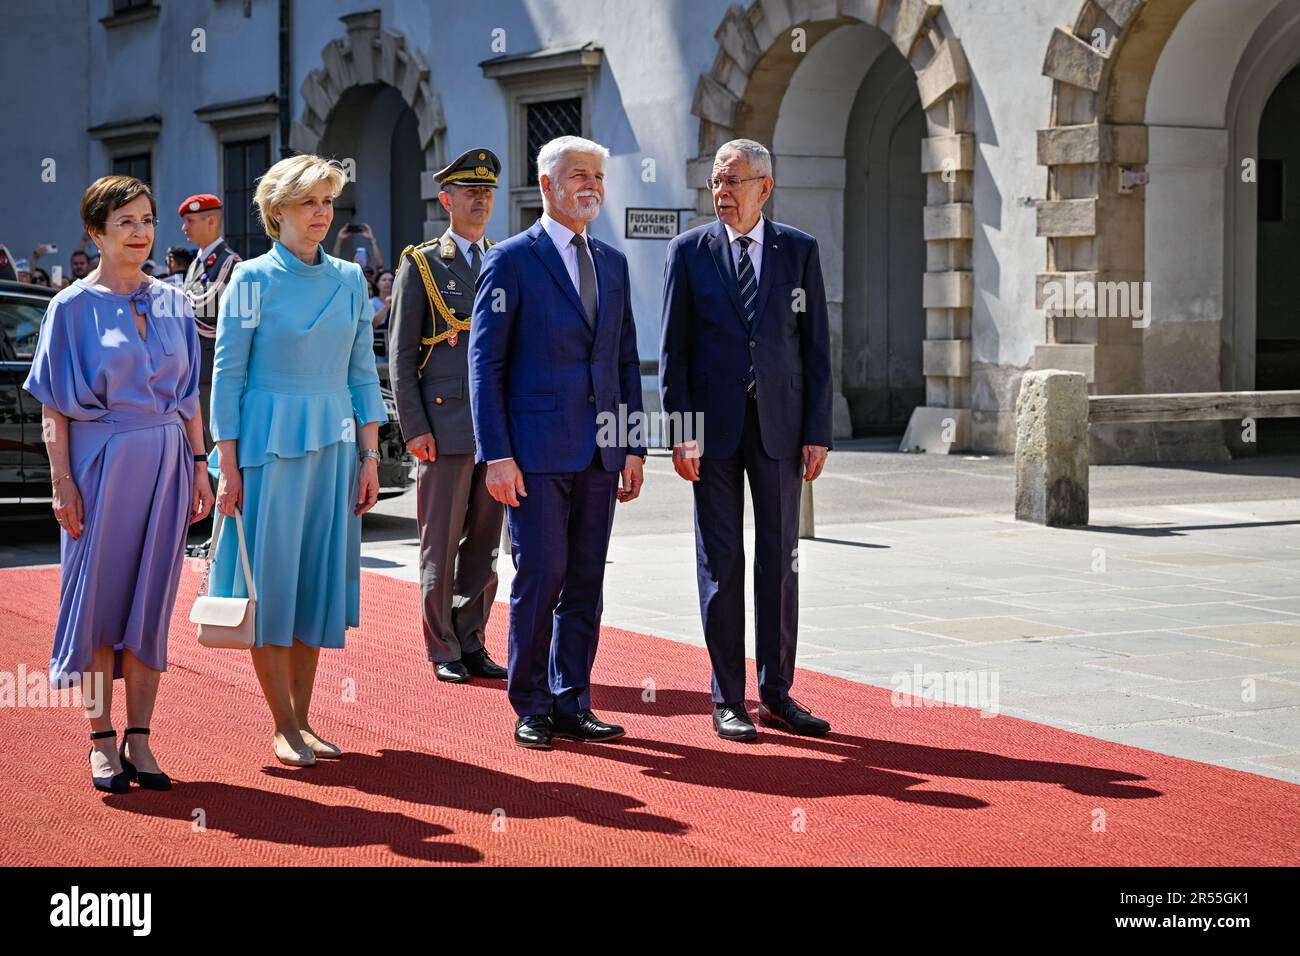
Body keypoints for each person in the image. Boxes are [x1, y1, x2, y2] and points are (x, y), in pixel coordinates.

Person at [22, 175, 214, 793]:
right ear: (96, 232)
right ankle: (101, 738)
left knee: (151, 598)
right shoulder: (70, 307)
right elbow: (52, 405)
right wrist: (62, 482)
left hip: (165, 460)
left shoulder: (174, 302)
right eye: (126, 221)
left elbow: (188, 397)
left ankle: (142, 738)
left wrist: (200, 463)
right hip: (99, 465)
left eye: (148, 220)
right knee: (99, 600)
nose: (140, 232)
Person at [209, 154, 386, 768]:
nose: (321, 214)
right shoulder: (251, 280)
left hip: (336, 446)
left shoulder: (350, 279)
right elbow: (227, 376)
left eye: (328, 202)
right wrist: (225, 467)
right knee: (273, 585)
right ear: (276, 211)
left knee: (314, 585)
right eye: (309, 202)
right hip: (267, 443)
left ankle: (306, 719)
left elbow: (363, 373)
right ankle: (282, 723)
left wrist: (370, 458)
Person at [469, 136, 645, 749]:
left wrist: (632, 446)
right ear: (547, 185)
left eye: (597, 174)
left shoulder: (613, 263)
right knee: (540, 575)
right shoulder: (511, 260)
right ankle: (532, 704)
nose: (590, 184)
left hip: (600, 452)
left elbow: (625, 360)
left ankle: (574, 699)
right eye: (577, 175)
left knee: (586, 580)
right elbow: (484, 364)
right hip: (534, 454)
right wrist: (497, 454)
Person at [659, 138, 833, 741]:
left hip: (782, 430)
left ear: (766, 186)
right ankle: (727, 698)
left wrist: (817, 431)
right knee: (721, 562)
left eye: (734, 182)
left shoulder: (799, 252)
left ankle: (778, 692)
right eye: (715, 182)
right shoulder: (689, 252)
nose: (723, 193)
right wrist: (680, 434)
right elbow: (672, 353)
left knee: (779, 563)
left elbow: (816, 350)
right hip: (712, 435)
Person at [389, 148, 507, 686]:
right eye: (469, 191)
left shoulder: (504, 259)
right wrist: (414, 428)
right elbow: (401, 354)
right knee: (441, 542)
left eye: (487, 191)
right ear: (446, 200)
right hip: (444, 424)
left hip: (497, 430)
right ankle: (441, 646)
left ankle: (473, 638)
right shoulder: (423, 263)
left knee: (484, 543)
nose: (480, 199)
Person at [179, 194, 241, 558]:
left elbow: (243, 321)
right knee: (200, 458)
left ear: (211, 222)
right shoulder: (196, 266)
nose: (184, 227)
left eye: (191, 220)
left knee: (218, 459)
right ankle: (211, 532)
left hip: (215, 374)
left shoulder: (231, 265)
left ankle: (222, 536)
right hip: (195, 372)